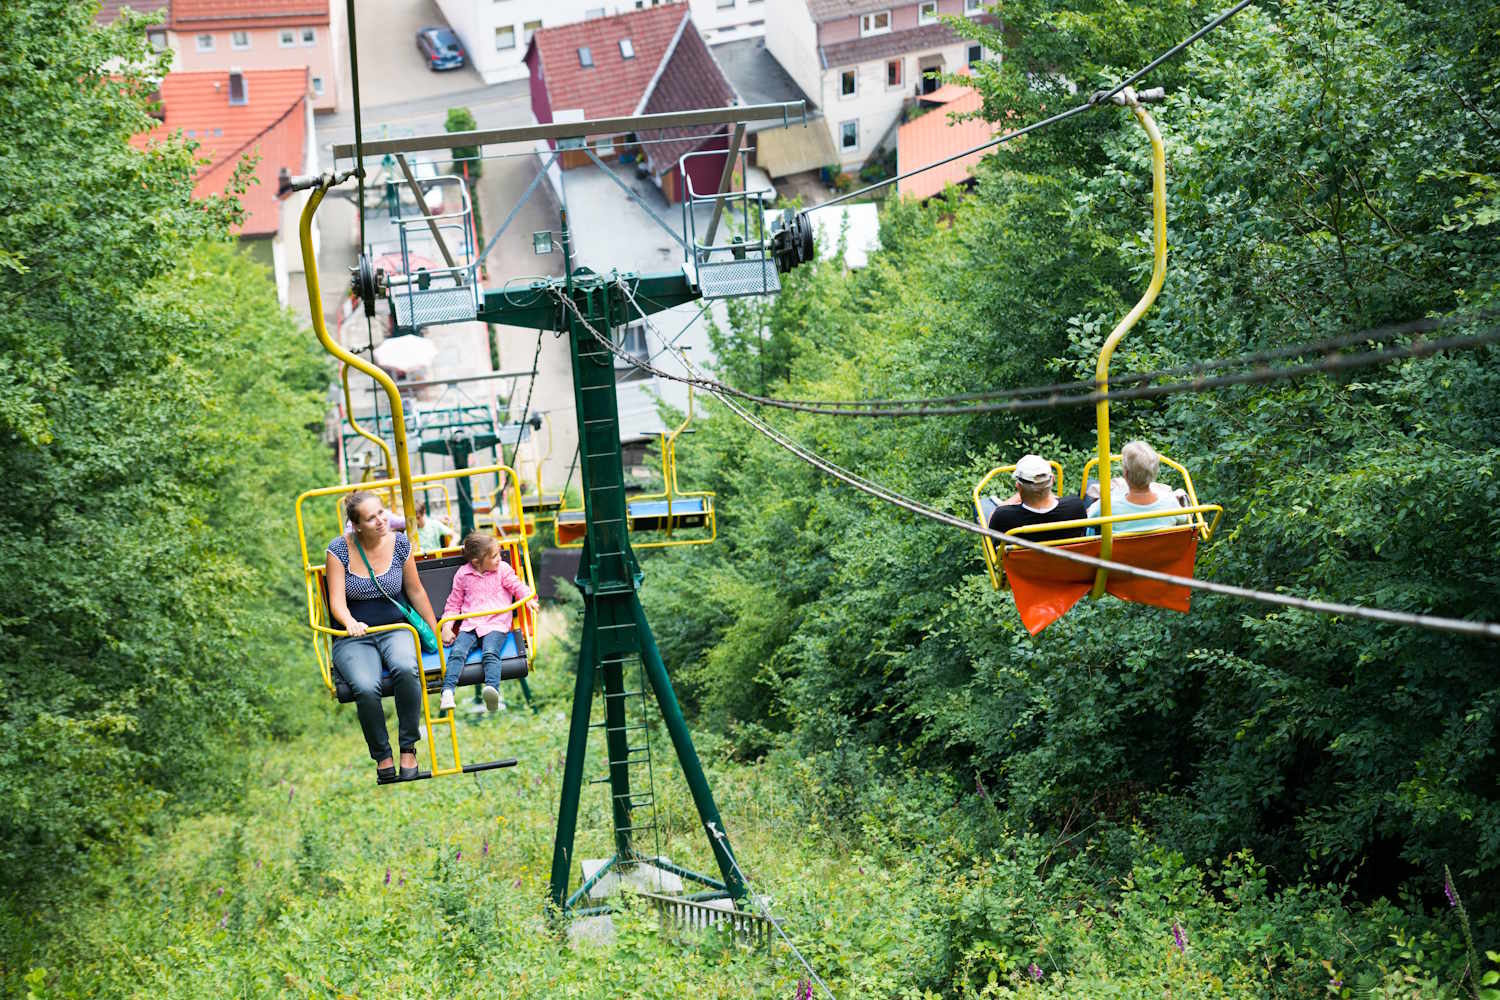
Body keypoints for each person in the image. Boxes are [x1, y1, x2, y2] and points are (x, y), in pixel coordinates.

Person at [325, 490, 441, 784]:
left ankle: (408, 748)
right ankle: (382, 755)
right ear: (357, 525)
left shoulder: (400, 543)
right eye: (370, 518)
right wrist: (350, 622)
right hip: (356, 636)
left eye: (381, 513)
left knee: (405, 668)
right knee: (365, 686)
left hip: (395, 629)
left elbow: (415, 591)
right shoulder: (338, 550)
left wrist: (435, 628)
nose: (380, 521)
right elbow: (336, 601)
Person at [439, 532, 539, 713]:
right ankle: (447, 691)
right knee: (457, 652)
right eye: (494, 556)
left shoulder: (503, 570)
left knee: (490, 652)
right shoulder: (463, 575)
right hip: (470, 624)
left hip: (496, 623)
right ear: (477, 561)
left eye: (499, 554)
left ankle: (492, 690)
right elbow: (454, 603)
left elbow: (517, 586)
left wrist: (529, 599)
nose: (499, 559)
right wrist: (447, 626)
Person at [1086, 440, 1188, 535]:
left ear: (1125, 473)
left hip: (1119, 553)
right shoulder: (1170, 502)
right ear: (1154, 472)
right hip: (1162, 552)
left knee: (1089, 487)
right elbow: (1184, 519)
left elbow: (1088, 520)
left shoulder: (1109, 504)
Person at [988, 454, 1091, 543]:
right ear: (1053, 479)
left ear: (1018, 486)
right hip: (1068, 565)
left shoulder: (1003, 516)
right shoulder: (1076, 506)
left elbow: (991, 531)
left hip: (1022, 566)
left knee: (984, 505)